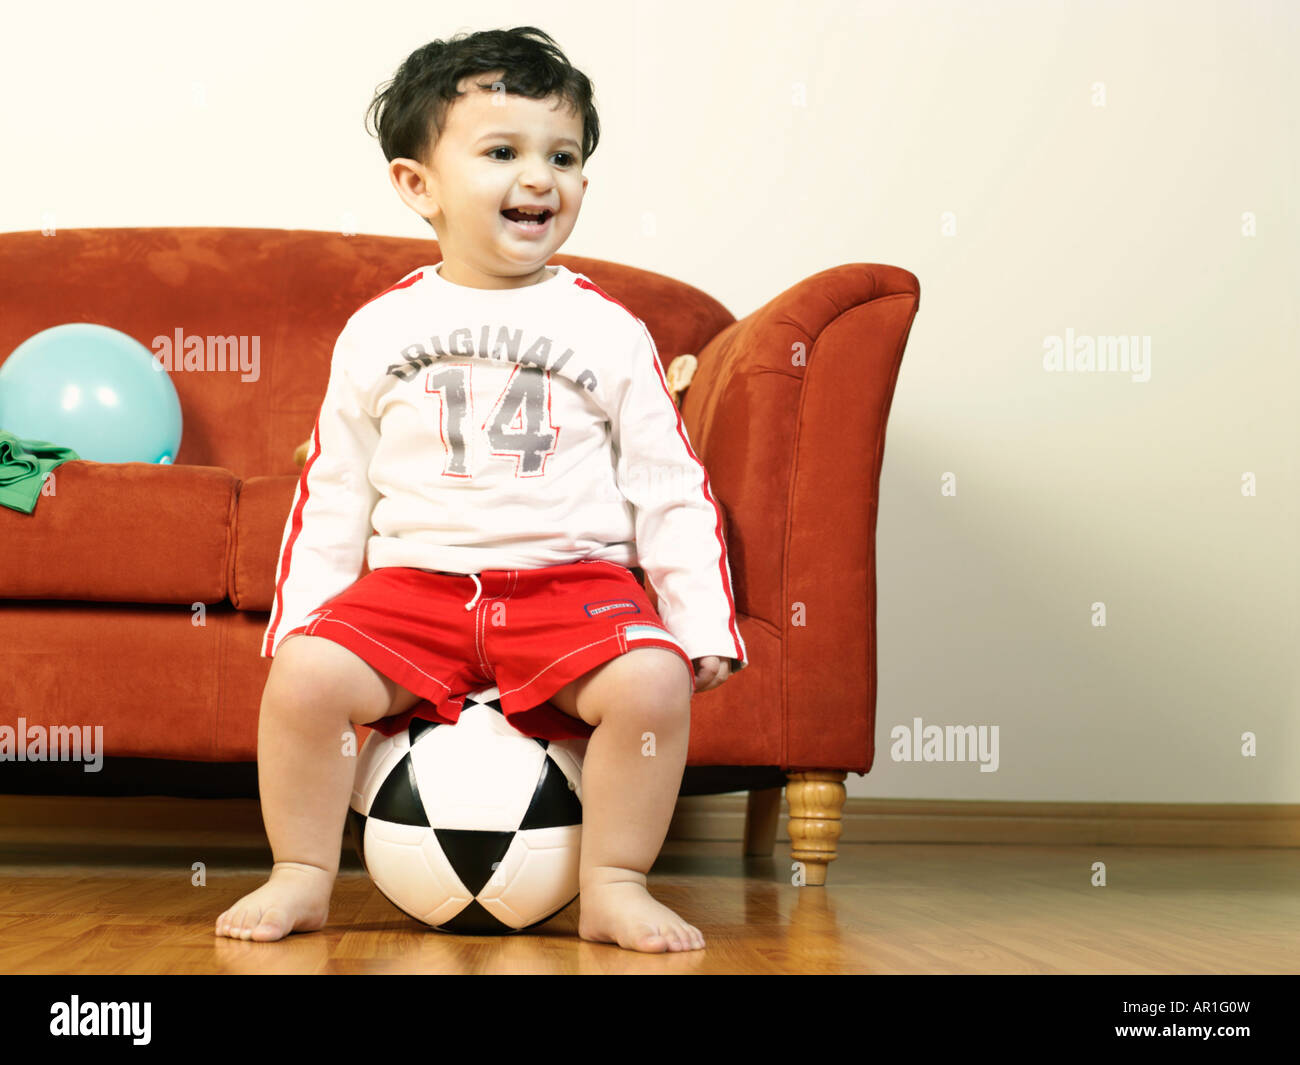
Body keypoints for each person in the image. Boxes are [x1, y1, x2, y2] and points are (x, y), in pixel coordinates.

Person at [215, 26, 746, 953]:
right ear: (418, 184)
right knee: (302, 678)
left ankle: (614, 880)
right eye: (503, 152)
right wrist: (305, 617)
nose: (540, 178)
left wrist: (699, 621)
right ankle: (300, 871)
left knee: (654, 681)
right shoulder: (378, 329)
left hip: (570, 586)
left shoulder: (608, 330)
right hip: (414, 589)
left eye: (564, 156)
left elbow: (671, 482)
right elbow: (334, 485)